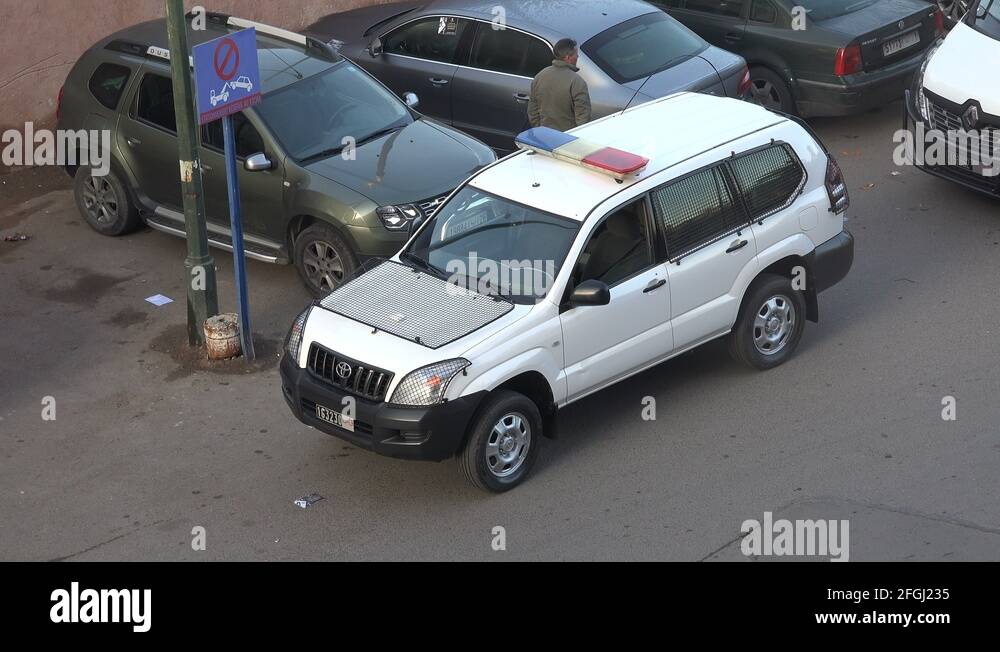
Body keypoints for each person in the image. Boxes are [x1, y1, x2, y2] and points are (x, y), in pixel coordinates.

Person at [528, 38, 592, 132]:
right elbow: (583, 115)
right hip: (567, 137)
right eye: (575, 54)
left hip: (544, 134)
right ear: (567, 57)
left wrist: (540, 130)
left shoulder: (540, 76)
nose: (577, 56)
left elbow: (532, 110)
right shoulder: (576, 81)